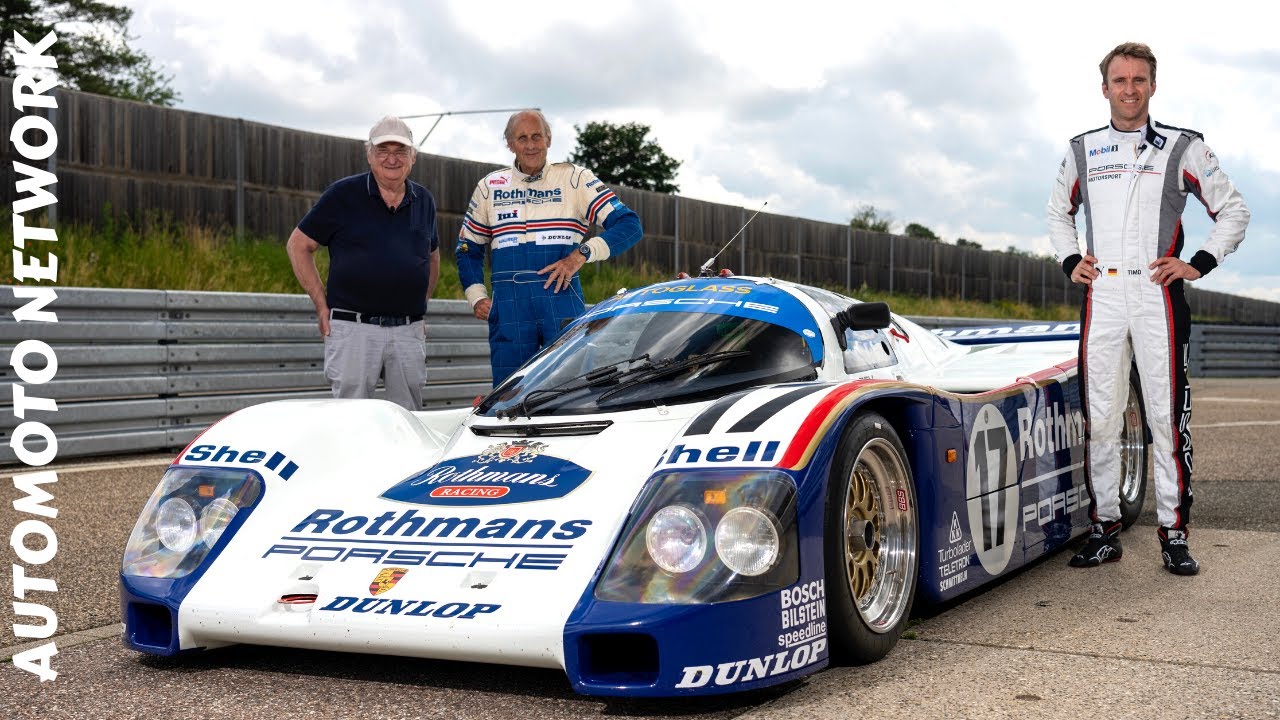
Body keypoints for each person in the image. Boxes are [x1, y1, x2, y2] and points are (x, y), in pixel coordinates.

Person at [1048, 42, 1250, 575]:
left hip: (1158, 293)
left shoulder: (1184, 147)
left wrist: (1199, 262)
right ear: (1105, 88)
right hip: (1104, 296)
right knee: (1101, 417)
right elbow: (1057, 212)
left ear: (1153, 85)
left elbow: (1233, 210)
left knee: (1165, 417)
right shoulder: (1082, 149)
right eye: (1120, 80)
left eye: (1140, 79)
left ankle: (1174, 532)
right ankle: (1104, 527)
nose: (1130, 89)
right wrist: (1071, 259)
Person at [455, 109, 643, 385]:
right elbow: (467, 247)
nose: (531, 145)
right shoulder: (489, 187)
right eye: (522, 138)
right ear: (510, 144)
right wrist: (476, 296)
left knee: (571, 389)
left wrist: (581, 254)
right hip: (509, 306)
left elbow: (630, 225)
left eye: (537, 136)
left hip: (560, 297)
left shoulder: (575, 179)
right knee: (509, 396)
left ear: (549, 139)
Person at [287, 115, 440, 411]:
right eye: (383, 150)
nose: (392, 159)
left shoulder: (425, 200)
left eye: (400, 151)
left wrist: (421, 306)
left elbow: (431, 255)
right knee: (350, 418)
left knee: (408, 418)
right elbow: (298, 245)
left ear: (414, 157)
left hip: (408, 331)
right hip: (354, 328)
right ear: (369, 155)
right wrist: (321, 305)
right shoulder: (343, 195)